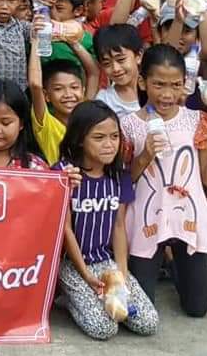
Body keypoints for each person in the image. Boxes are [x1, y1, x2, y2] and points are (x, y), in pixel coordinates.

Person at [121, 44, 207, 318]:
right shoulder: (128, 125)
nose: (167, 94)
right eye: (158, 84)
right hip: (146, 218)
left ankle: (176, 266)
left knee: (197, 308)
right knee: (144, 309)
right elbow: (126, 181)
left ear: (186, 83)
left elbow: (205, 175)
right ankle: (163, 262)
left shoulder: (198, 121)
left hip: (189, 215)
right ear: (142, 81)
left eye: (175, 85)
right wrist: (145, 154)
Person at [56, 101, 158, 340]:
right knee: (104, 328)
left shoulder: (118, 174)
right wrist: (85, 275)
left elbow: (119, 225)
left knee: (147, 322)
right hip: (71, 263)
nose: (109, 144)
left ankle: (92, 294)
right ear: (80, 139)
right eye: (99, 137)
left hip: (104, 261)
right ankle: (69, 298)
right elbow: (66, 230)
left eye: (114, 136)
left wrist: (121, 272)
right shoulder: (66, 175)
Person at [29, 29, 99, 166]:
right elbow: (35, 84)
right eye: (58, 89)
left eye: (74, 87)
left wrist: (71, 41)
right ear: (46, 96)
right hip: (60, 183)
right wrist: (35, 42)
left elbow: (94, 73)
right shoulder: (47, 125)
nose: (68, 95)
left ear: (83, 90)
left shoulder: (87, 113)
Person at [93, 24, 144, 120]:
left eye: (121, 60)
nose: (116, 69)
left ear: (139, 56)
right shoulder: (105, 100)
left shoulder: (154, 90)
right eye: (107, 63)